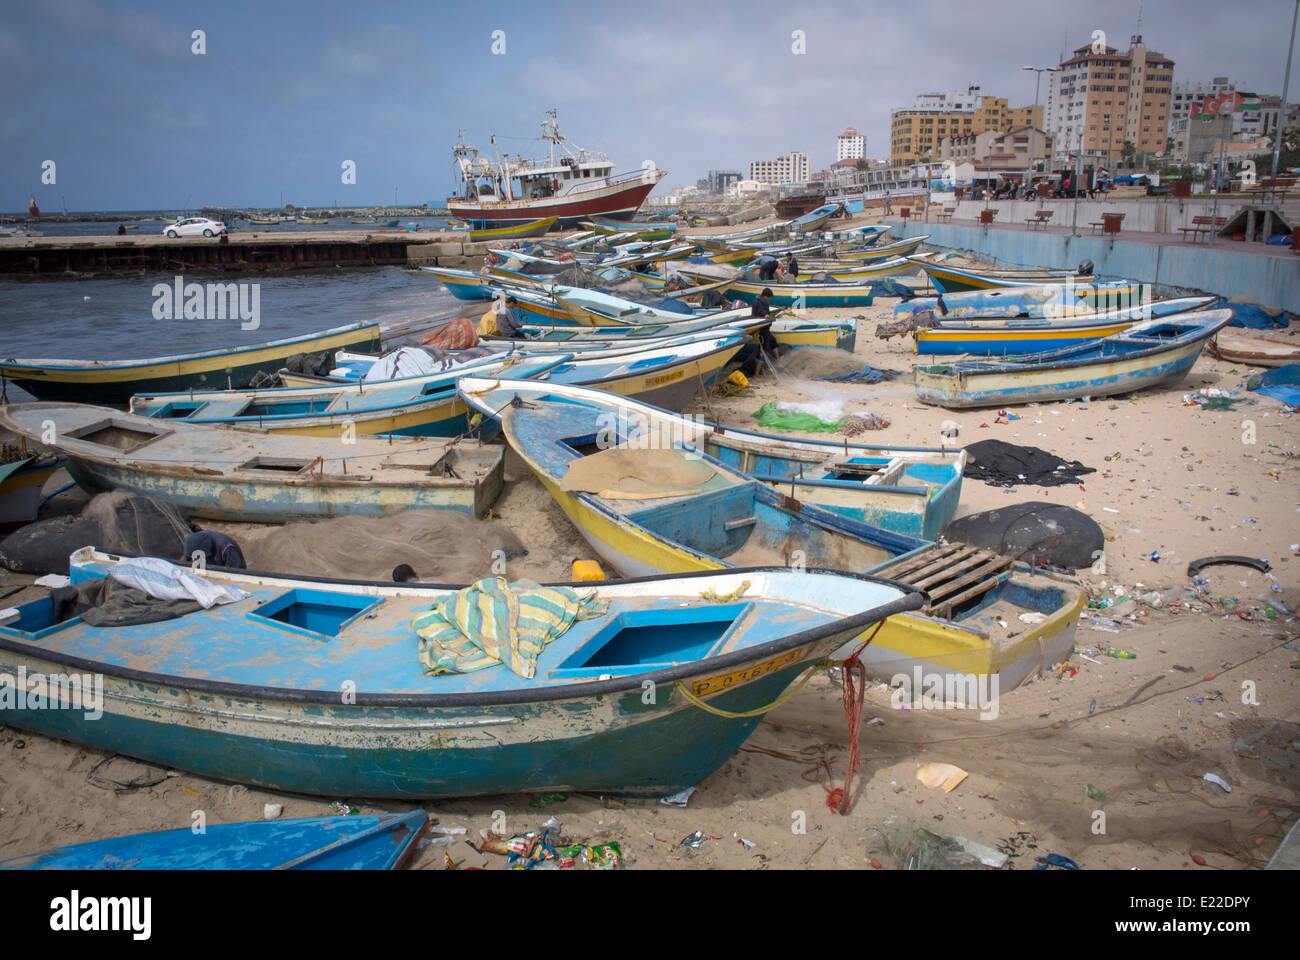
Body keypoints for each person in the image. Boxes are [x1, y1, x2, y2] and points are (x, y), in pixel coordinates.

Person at [180, 529, 246, 570]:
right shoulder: (191, 540)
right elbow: (185, 557)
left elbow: (236, 573)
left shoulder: (227, 548)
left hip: (227, 569)